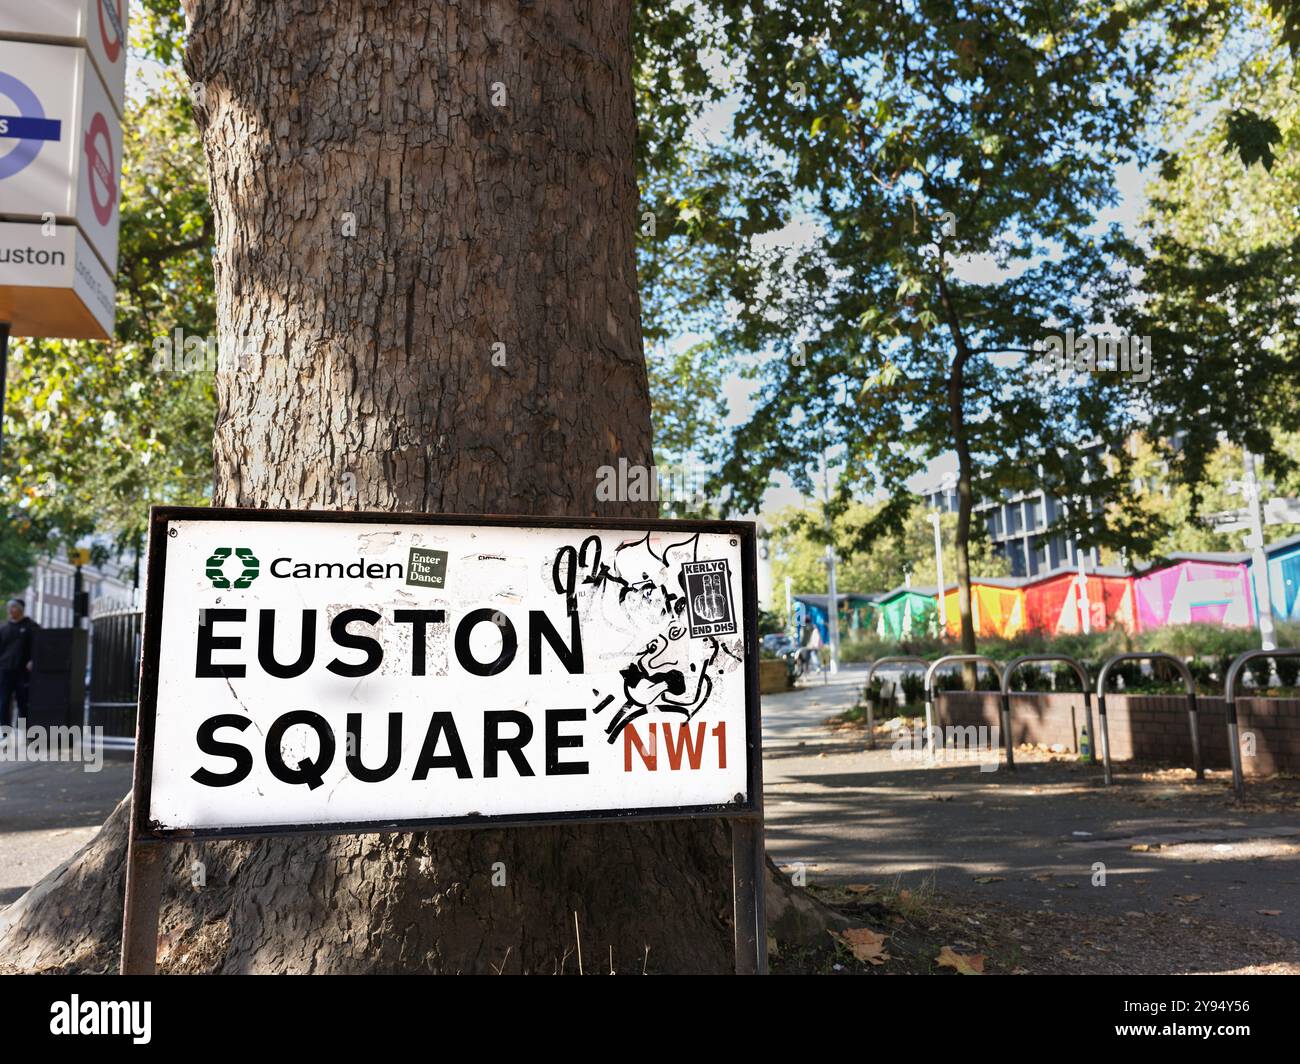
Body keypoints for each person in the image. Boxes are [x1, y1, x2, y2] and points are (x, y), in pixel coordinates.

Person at [0, 598, 39, 727]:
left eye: (14, 607)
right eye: (9, 607)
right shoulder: (4, 629)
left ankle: (23, 733)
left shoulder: (31, 626)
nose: (10, 610)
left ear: (21, 610)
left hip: (23, 672)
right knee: (3, 702)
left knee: (23, 704)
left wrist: (33, 660)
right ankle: (5, 733)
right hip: (5, 671)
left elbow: (41, 646)